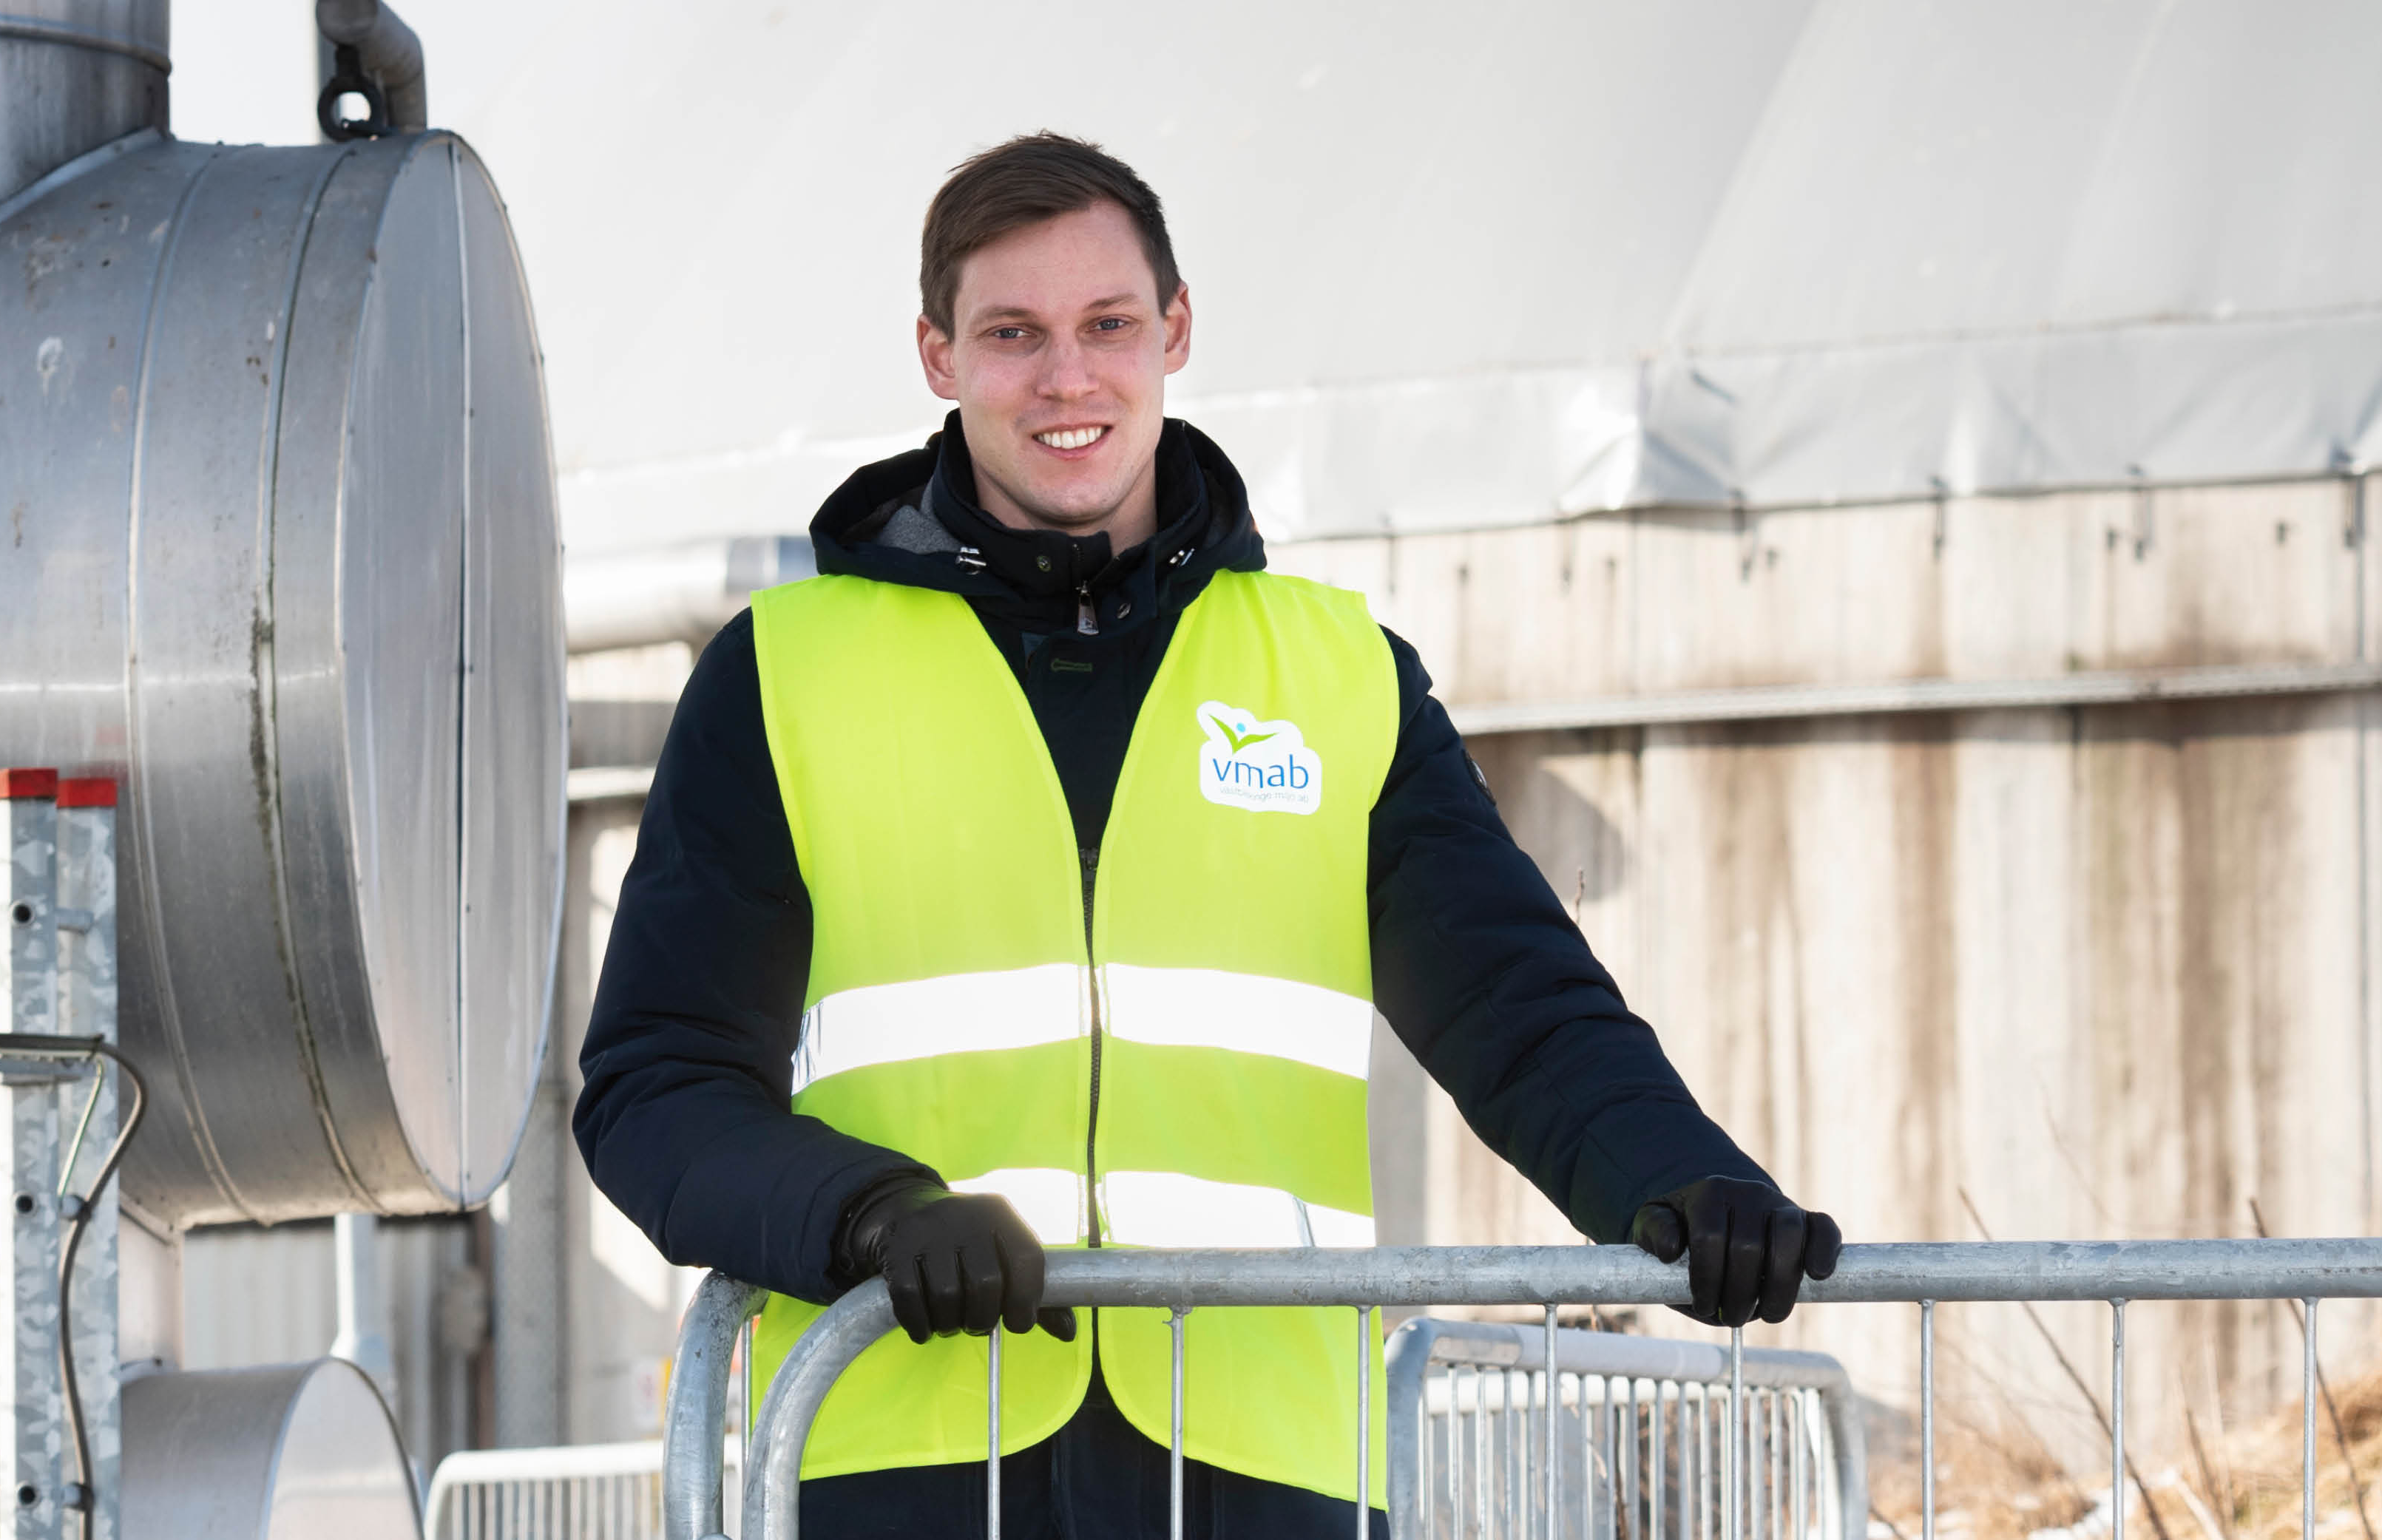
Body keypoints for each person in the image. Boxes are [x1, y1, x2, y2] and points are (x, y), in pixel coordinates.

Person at [574, 132, 1841, 1539]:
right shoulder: (783, 677)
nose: (1068, 378)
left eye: (1109, 325)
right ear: (939, 356)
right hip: (901, 1454)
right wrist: (866, 1215)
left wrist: (1681, 1181)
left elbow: (1522, 1012)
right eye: (1013, 333)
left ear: (1175, 331)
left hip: (1262, 1462)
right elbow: (656, 1088)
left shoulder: (1337, 677)